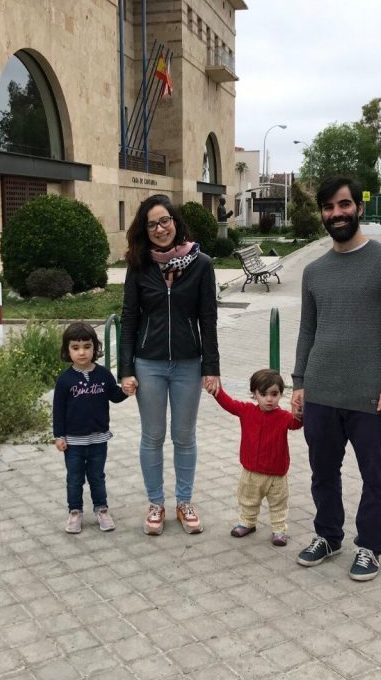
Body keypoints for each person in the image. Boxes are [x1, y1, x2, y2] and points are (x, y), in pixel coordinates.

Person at [292, 175, 381, 581]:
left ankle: (369, 546)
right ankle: (328, 535)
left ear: (358, 208)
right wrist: (299, 383)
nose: (336, 214)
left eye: (343, 205)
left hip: (370, 395)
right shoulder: (314, 271)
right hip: (322, 391)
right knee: (322, 472)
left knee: (373, 476)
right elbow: (307, 330)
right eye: (328, 208)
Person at [119, 194, 220, 535]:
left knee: (184, 436)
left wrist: (211, 367)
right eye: (151, 224)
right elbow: (129, 318)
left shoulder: (201, 263)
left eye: (164, 221)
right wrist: (125, 369)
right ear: (144, 230)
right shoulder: (139, 265)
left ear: (175, 223)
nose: (160, 229)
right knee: (152, 436)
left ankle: (184, 502)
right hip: (148, 364)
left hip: (189, 364)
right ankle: (156, 504)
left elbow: (208, 318)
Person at [209, 368, 303, 546]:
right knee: (247, 499)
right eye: (264, 394)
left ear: (281, 395)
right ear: (254, 394)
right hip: (250, 471)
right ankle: (247, 522)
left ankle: (279, 529)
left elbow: (295, 424)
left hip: (277, 474)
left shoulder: (283, 417)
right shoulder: (246, 411)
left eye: (274, 394)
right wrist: (216, 391)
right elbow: (228, 403)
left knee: (278, 504)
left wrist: (300, 414)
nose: (269, 399)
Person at [53, 322, 129, 534]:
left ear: (95, 348)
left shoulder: (103, 375)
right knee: (74, 478)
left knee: (97, 476)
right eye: (75, 347)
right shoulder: (65, 380)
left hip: (98, 440)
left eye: (87, 346)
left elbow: (114, 396)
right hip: (73, 443)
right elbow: (58, 410)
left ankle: (102, 510)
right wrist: (59, 436)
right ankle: (75, 512)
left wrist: (127, 390)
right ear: (67, 350)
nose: (82, 352)